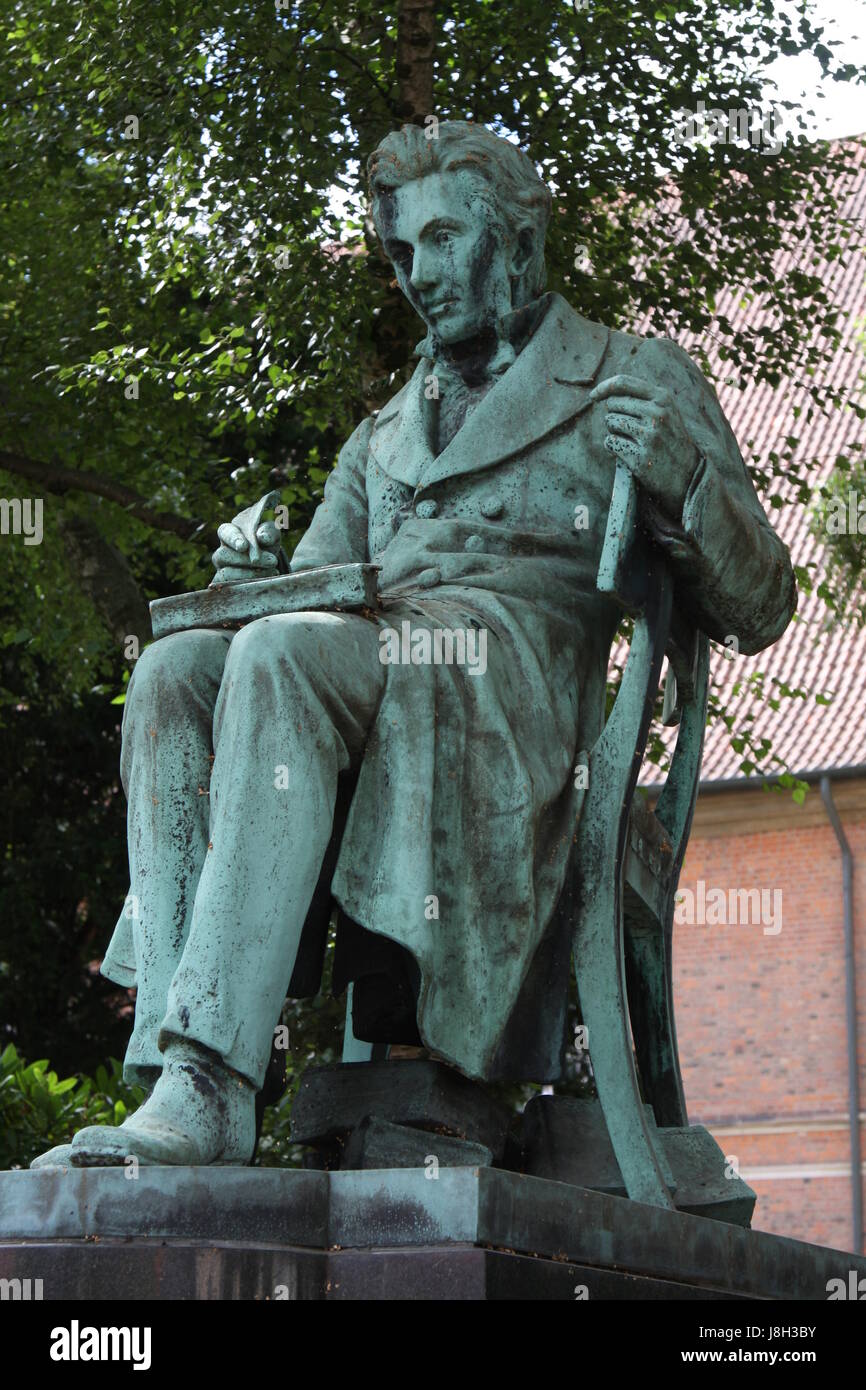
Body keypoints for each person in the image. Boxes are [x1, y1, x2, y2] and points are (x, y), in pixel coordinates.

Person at [32, 121, 795, 1168]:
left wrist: (691, 484)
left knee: (281, 657)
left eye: (440, 240)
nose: (417, 275)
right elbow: (313, 591)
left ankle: (213, 1083)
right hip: (373, 670)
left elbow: (764, 604)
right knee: (174, 670)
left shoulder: (629, 376)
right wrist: (245, 581)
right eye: (398, 253)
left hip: (501, 699)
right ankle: (181, 1068)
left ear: (516, 238)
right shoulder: (386, 428)